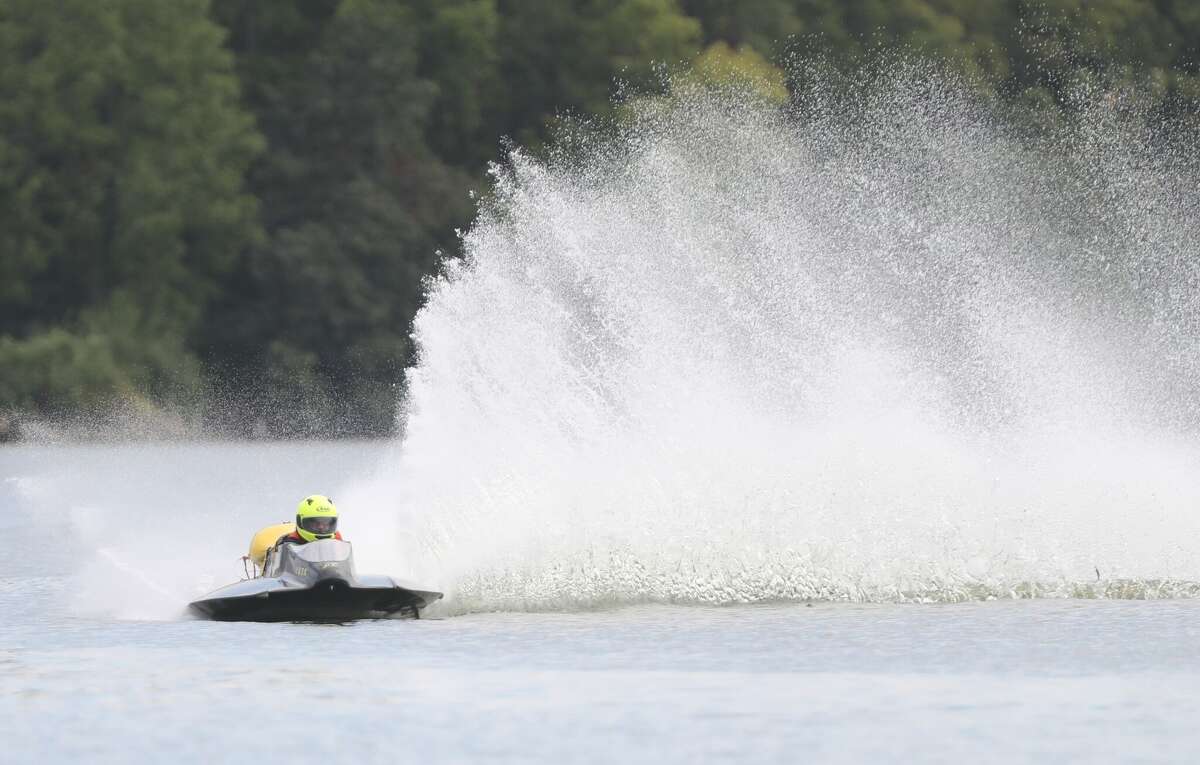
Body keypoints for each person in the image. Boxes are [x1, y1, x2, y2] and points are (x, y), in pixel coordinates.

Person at [276, 494, 344, 547]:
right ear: (300, 522)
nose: (321, 527)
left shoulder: (336, 539)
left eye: (326, 523)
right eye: (315, 523)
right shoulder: (289, 545)